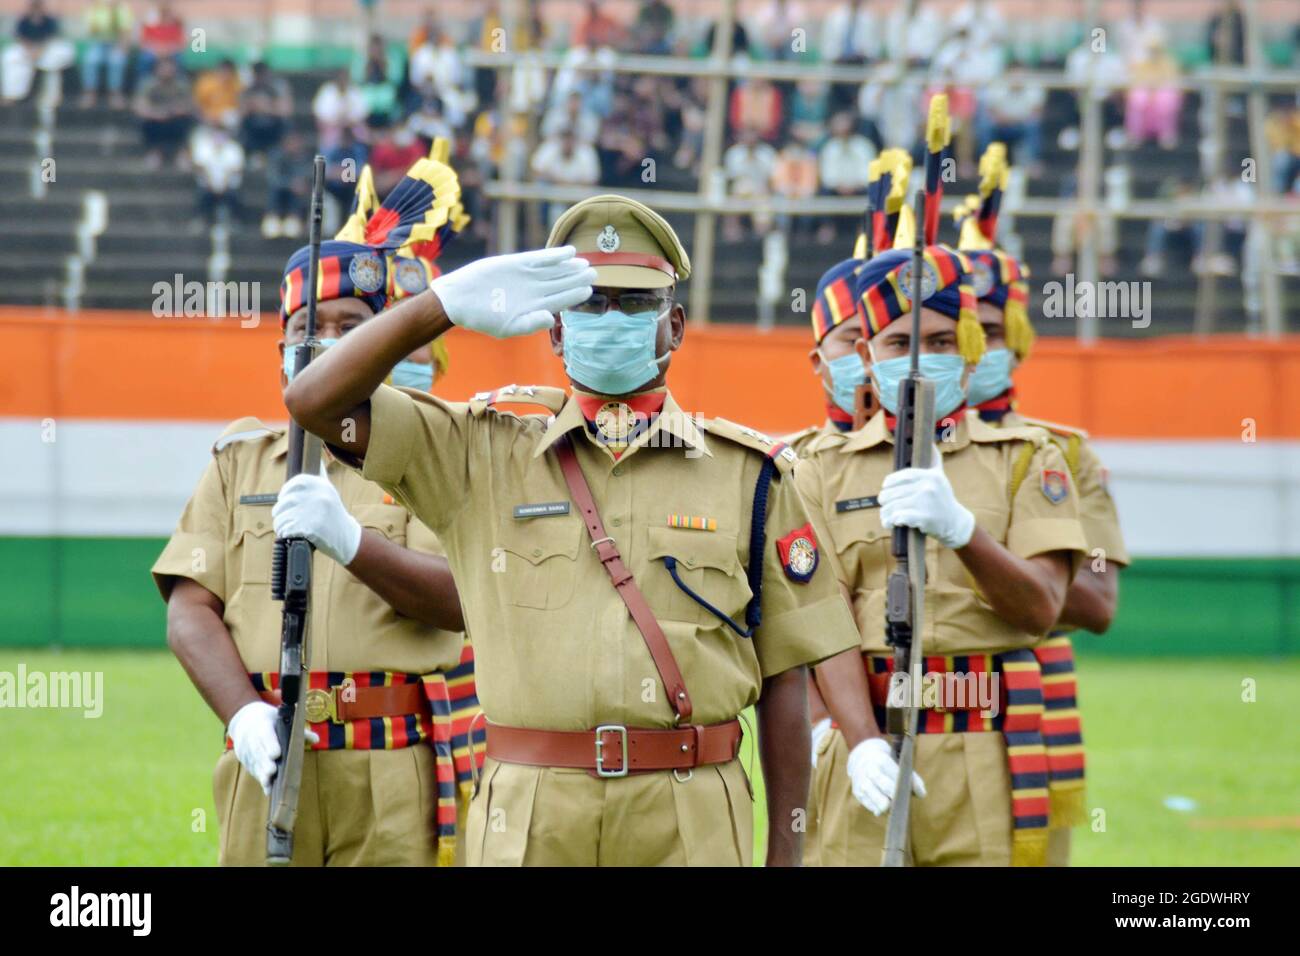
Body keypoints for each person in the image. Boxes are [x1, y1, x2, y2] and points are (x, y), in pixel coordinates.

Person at [282, 194, 903, 866]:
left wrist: (787, 857)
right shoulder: (478, 453)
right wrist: (440, 306)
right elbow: (315, 401)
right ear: (553, 330)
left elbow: (785, 677)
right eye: (590, 303)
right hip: (531, 813)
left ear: (676, 326)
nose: (613, 319)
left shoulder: (749, 475)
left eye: (636, 304)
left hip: (689, 811)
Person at [151, 157, 481, 866]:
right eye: (310, 325)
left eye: (352, 325)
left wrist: (350, 542)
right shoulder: (239, 461)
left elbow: (459, 600)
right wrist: (240, 713)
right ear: (280, 351)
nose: (329, 340)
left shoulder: (432, 459)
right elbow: (190, 606)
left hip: (391, 763)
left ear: (383, 346)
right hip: (270, 754)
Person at [796, 245, 1089, 866]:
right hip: (865, 745)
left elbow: (1041, 608)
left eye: (940, 339)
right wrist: (857, 742)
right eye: (900, 342)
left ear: (969, 350)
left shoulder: (1027, 458)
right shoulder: (819, 470)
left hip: (981, 749)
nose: (922, 358)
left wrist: (963, 531)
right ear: (868, 356)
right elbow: (822, 623)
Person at [956, 169, 1129, 867]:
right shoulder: (882, 453)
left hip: (1028, 712)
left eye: (992, 330)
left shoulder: (1063, 455)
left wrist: (976, 548)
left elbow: (1095, 603)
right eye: (962, 332)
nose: (976, 348)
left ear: (1018, 335)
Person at [2, 0, 75, 104]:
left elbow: (51, 38)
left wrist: (40, 51)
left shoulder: (49, 21)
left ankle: (52, 98)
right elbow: (20, 37)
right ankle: (12, 95)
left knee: (58, 58)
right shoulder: (24, 21)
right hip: (27, 52)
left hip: (46, 52)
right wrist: (30, 51)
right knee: (10, 57)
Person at [133, 53, 193, 169]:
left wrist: (176, 110)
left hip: (175, 118)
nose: (167, 71)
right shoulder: (148, 84)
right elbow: (139, 106)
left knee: (187, 120)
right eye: (163, 68)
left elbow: (189, 104)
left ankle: (182, 153)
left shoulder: (181, 85)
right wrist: (155, 113)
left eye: (170, 67)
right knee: (146, 122)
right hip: (156, 119)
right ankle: (154, 153)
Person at [191, 121, 246, 229]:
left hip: (228, 186)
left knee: (235, 196)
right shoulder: (203, 147)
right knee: (202, 195)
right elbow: (199, 167)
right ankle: (201, 220)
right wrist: (210, 183)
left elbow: (236, 169)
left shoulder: (234, 149)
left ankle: (235, 221)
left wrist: (224, 184)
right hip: (208, 185)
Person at [79, 0, 133, 109]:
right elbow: (90, 31)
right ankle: (90, 93)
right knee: (91, 60)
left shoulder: (121, 9)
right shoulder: (95, 8)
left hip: (116, 42)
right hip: (98, 43)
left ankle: (115, 93)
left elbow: (126, 32)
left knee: (116, 61)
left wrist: (123, 48)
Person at [240, 61, 292, 164]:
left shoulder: (276, 90)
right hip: (253, 136)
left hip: (274, 135)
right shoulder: (247, 91)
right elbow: (241, 113)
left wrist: (265, 108)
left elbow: (286, 111)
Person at [193, 58, 242, 129]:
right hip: (208, 121)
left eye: (229, 71)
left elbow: (239, 106)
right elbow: (197, 106)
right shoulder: (206, 84)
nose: (226, 74)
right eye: (224, 71)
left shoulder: (236, 85)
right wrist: (207, 118)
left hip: (229, 122)